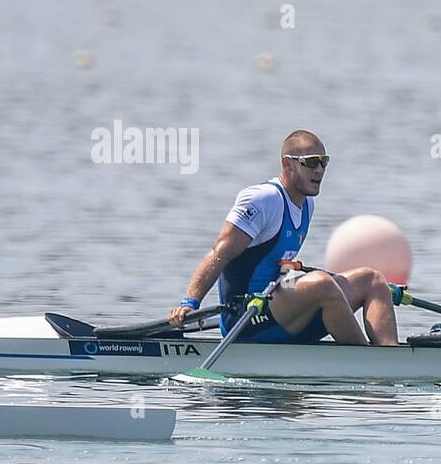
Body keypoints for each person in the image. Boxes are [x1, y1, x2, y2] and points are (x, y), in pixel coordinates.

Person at [166, 130, 398, 346]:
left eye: (323, 162)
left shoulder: (307, 204)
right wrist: (190, 302)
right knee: (322, 283)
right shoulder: (263, 200)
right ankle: (369, 363)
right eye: (310, 162)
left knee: (373, 280)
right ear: (287, 163)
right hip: (245, 319)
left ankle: (390, 357)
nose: (319, 170)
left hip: (280, 309)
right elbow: (220, 252)